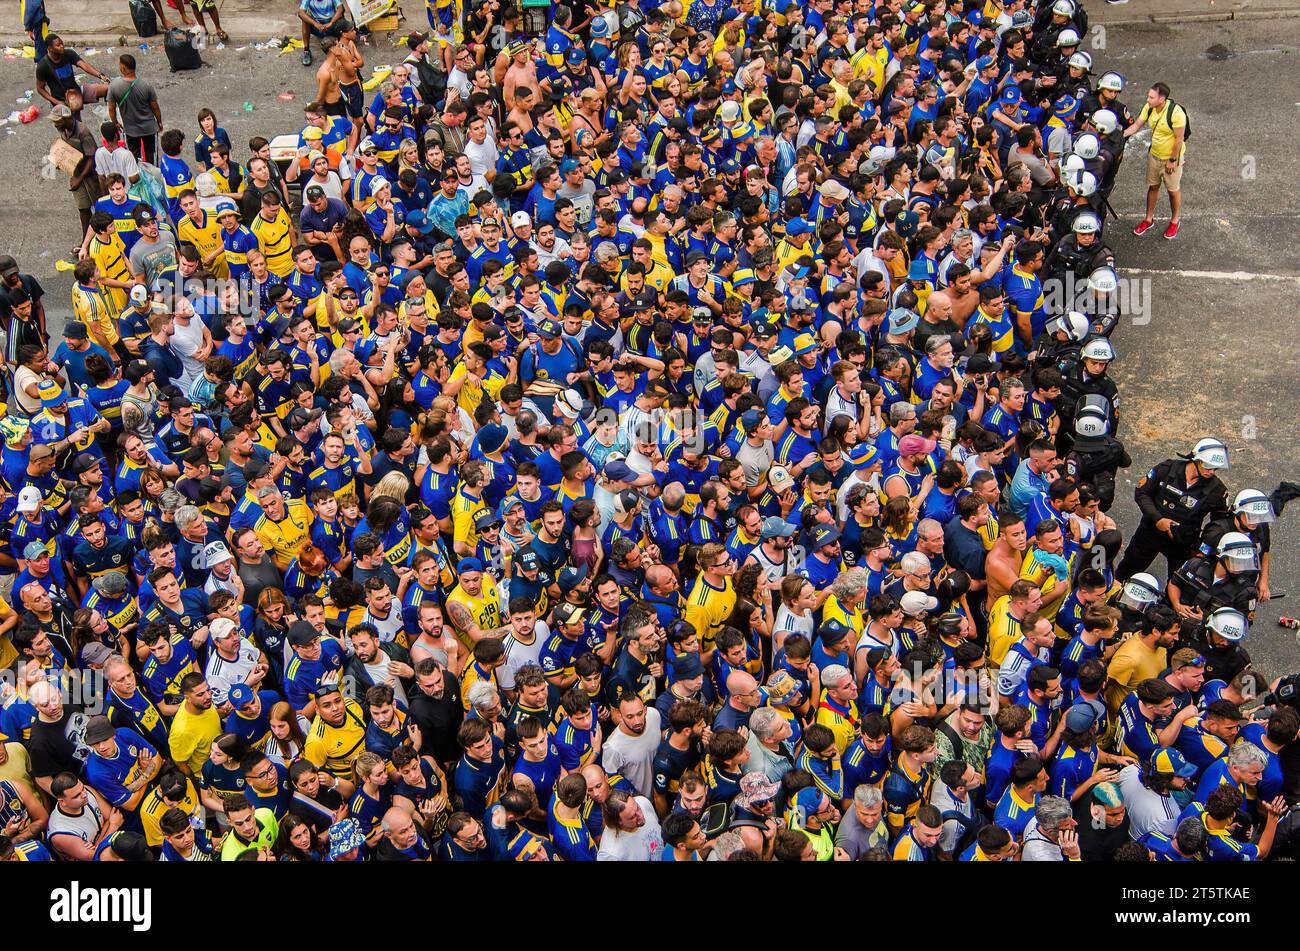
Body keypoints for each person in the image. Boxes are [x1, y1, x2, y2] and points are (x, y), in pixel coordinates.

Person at [1123, 82, 1189, 240]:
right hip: (1154, 155)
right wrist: (1120, 136)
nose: (1147, 99)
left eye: (1151, 97)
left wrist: (1172, 160)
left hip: (1171, 158)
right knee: (1153, 187)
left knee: (1173, 191)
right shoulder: (1150, 107)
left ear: (1162, 99)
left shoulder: (1176, 113)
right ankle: (1148, 219)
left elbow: (1179, 140)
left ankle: (1174, 221)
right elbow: (1138, 124)